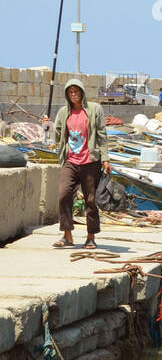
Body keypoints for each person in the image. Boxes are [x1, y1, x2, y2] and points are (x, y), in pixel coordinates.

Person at [52, 78, 107, 249]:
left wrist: (105, 158)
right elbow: (58, 131)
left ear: (82, 92)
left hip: (90, 161)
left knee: (90, 200)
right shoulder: (63, 112)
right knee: (64, 195)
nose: (73, 94)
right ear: (67, 94)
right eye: (70, 91)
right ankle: (67, 235)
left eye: (76, 91)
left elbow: (102, 135)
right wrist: (59, 147)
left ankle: (90, 237)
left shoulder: (94, 109)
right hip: (70, 160)